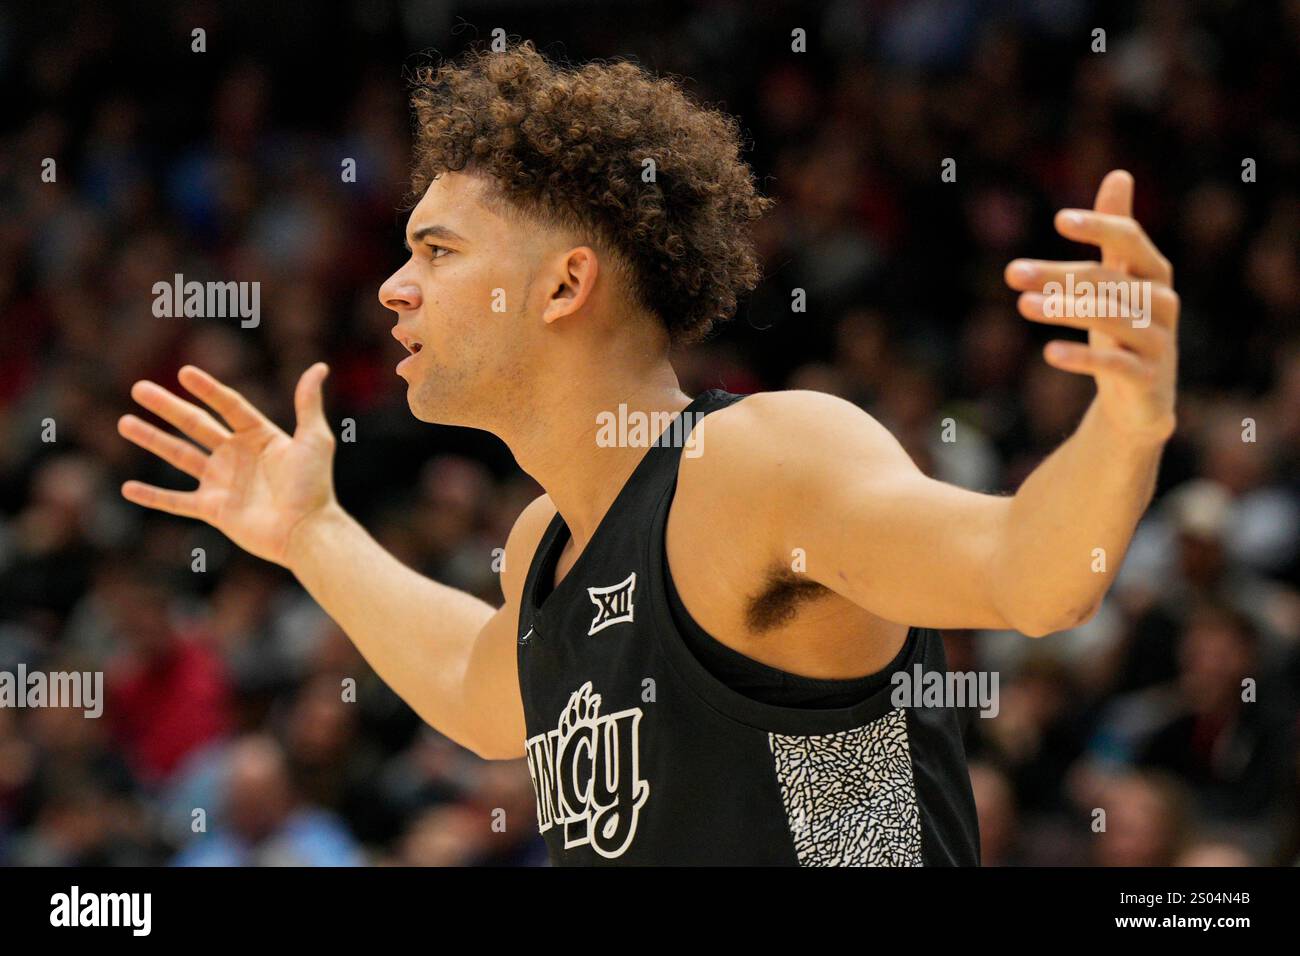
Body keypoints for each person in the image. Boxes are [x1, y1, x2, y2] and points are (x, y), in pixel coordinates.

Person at [117, 43, 1179, 865]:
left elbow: (1034, 575)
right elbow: (476, 684)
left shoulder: (757, 462)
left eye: (436, 251)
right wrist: (309, 530)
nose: (394, 286)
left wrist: (1125, 417)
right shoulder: (546, 543)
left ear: (565, 285)